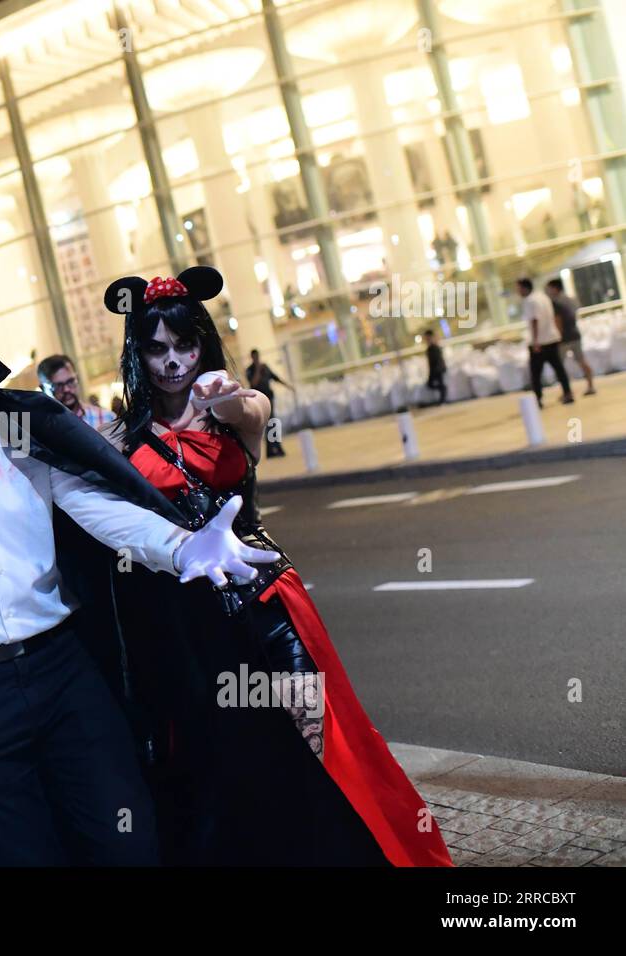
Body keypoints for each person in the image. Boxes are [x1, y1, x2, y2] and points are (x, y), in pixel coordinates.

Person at [0, 273, 281, 867]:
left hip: (62, 670)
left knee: (126, 839)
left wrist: (183, 547)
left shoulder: (31, 423)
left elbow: (100, 506)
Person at [100, 265, 453, 867]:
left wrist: (228, 397)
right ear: (137, 351)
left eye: (184, 345)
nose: (172, 362)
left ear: (203, 344)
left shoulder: (236, 407)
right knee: (226, 755)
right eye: (155, 348)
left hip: (266, 603)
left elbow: (252, 413)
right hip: (186, 622)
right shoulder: (119, 440)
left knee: (316, 735)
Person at [518, 277, 573, 407]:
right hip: (552, 338)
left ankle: (537, 400)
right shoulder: (544, 297)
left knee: (535, 373)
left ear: (525, 288)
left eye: (518, 288)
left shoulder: (530, 301)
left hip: (540, 342)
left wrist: (535, 341)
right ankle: (568, 393)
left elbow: (534, 320)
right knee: (559, 368)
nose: (517, 291)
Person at [546, 278, 596, 397]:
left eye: (549, 288)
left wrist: (557, 336)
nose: (548, 291)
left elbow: (558, 321)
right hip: (575, 334)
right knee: (581, 361)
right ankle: (591, 386)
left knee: (560, 367)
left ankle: (567, 392)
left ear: (555, 288)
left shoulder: (555, 302)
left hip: (563, 338)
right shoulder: (571, 300)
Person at [36, 354, 115, 429]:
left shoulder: (106, 418)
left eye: (70, 381)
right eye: (58, 386)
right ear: (43, 388)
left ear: (77, 378)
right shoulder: (35, 429)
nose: (66, 389)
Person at [245, 348, 293, 458]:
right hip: (260, 401)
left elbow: (275, 377)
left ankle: (274, 449)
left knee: (273, 423)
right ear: (252, 357)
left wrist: (288, 386)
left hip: (269, 398)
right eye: (255, 357)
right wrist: (257, 368)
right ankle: (273, 449)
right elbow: (253, 383)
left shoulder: (265, 367)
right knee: (269, 424)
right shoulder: (250, 370)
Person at [423, 329, 447, 406]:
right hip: (436, 369)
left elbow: (437, 360)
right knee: (431, 384)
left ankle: (442, 401)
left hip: (437, 369)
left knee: (438, 384)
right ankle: (441, 400)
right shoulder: (431, 347)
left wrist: (435, 370)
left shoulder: (434, 347)